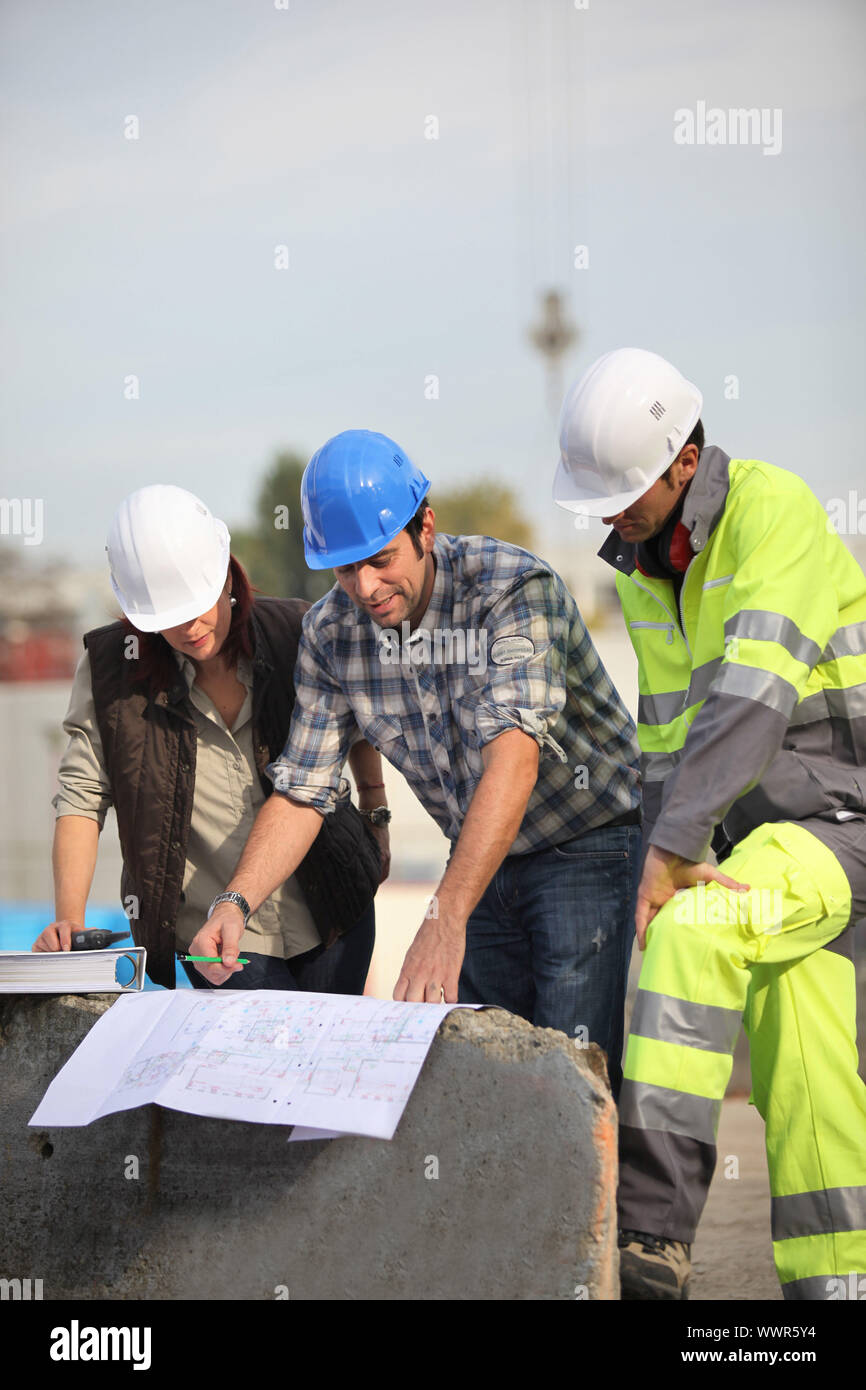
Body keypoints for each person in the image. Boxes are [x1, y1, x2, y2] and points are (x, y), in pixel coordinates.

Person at [189, 429, 642, 1097]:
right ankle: (512, 1206)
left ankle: (602, 1204)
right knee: (490, 1070)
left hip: (586, 841)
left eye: (380, 560)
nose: (365, 588)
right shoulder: (330, 634)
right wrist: (236, 902)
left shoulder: (513, 590)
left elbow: (512, 763)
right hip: (482, 854)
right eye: (345, 570)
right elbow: (302, 790)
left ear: (425, 526)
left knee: (570, 1070)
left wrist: (444, 919)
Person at [553, 346, 866, 1300]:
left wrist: (673, 858)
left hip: (842, 822)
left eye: (627, 491)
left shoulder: (774, 512)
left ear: (686, 463)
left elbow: (750, 699)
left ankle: (650, 1247)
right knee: (806, 1074)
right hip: (765, 848)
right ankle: (833, 1292)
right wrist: (669, 838)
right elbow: (666, 744)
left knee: (695, 931)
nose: (612, 515)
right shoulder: (649, 571)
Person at [33, 484, 387, 992]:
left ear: (226, 574)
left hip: (333, 911)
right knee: (252, 1070)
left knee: (332, 1065)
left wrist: (377, 812)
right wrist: (68, 916)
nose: (189, 626)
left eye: (198, 604)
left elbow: (355, 725)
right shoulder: (113, 671)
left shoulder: (297, 630)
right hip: (215, 940)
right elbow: (81, 796)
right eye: (167, 617)